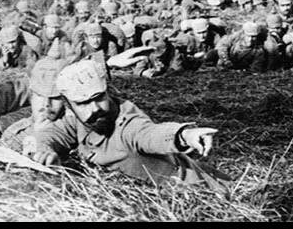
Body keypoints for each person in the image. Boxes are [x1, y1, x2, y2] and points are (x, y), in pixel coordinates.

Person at [28, 60, 229, 193]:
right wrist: (45, 150)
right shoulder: (78, 120)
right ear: (68, 104)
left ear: (108, 91)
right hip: (136, 192)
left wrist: (184, 135)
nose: (95, 108)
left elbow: (150, 134)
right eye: (83, 103)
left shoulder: (126, 123)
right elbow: (53, 133)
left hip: (188, 193)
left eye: (99, 98)